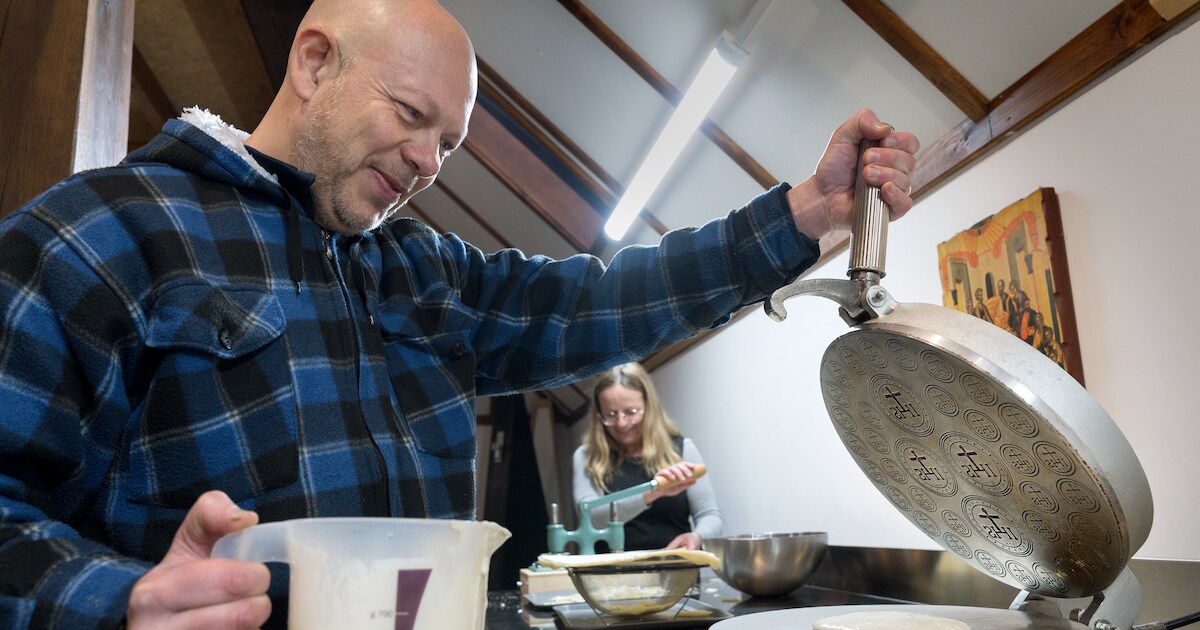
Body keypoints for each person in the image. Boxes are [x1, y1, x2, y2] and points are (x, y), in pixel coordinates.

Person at [0, 0, 919, 627]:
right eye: (411, 114)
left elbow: (598, 301)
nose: (429, 161)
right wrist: (117, 601)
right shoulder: (99, 232)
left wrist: (802, 218)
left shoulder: (425, 270)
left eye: (450, 143)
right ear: (315, 60)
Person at [572, 363, 721, 552]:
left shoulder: (682, 450)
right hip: (611, 577)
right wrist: (655, 490)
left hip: (675, 571)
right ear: (598, 414)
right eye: (610, 414)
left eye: (631, 412)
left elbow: (710, 515)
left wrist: (697, 536)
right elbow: (592, 517)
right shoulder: (587, 456)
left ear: (649, 407)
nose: (621, 423)